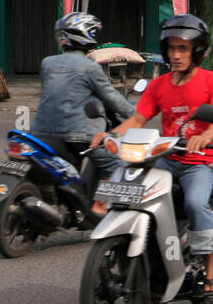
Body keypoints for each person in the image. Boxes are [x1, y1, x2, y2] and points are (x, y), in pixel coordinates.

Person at [97, 14, 213, 292]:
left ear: (197, 51)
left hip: (199, 161)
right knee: (130, 184)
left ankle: (211, 266)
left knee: (195, 203)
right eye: (171, 48)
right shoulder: (159, 85)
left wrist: (204, 137)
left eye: (183, 48)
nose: (176, 55)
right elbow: (138, 120)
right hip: (167, 159)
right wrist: (110, 135)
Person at [32, 12, 136, 217]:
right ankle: (100, 207)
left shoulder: (47, 63)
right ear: (87, 36)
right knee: (116, 165)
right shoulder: (90, 67)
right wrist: (136, 114)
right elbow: (111, 97)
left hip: (42, 133)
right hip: (78, 136)